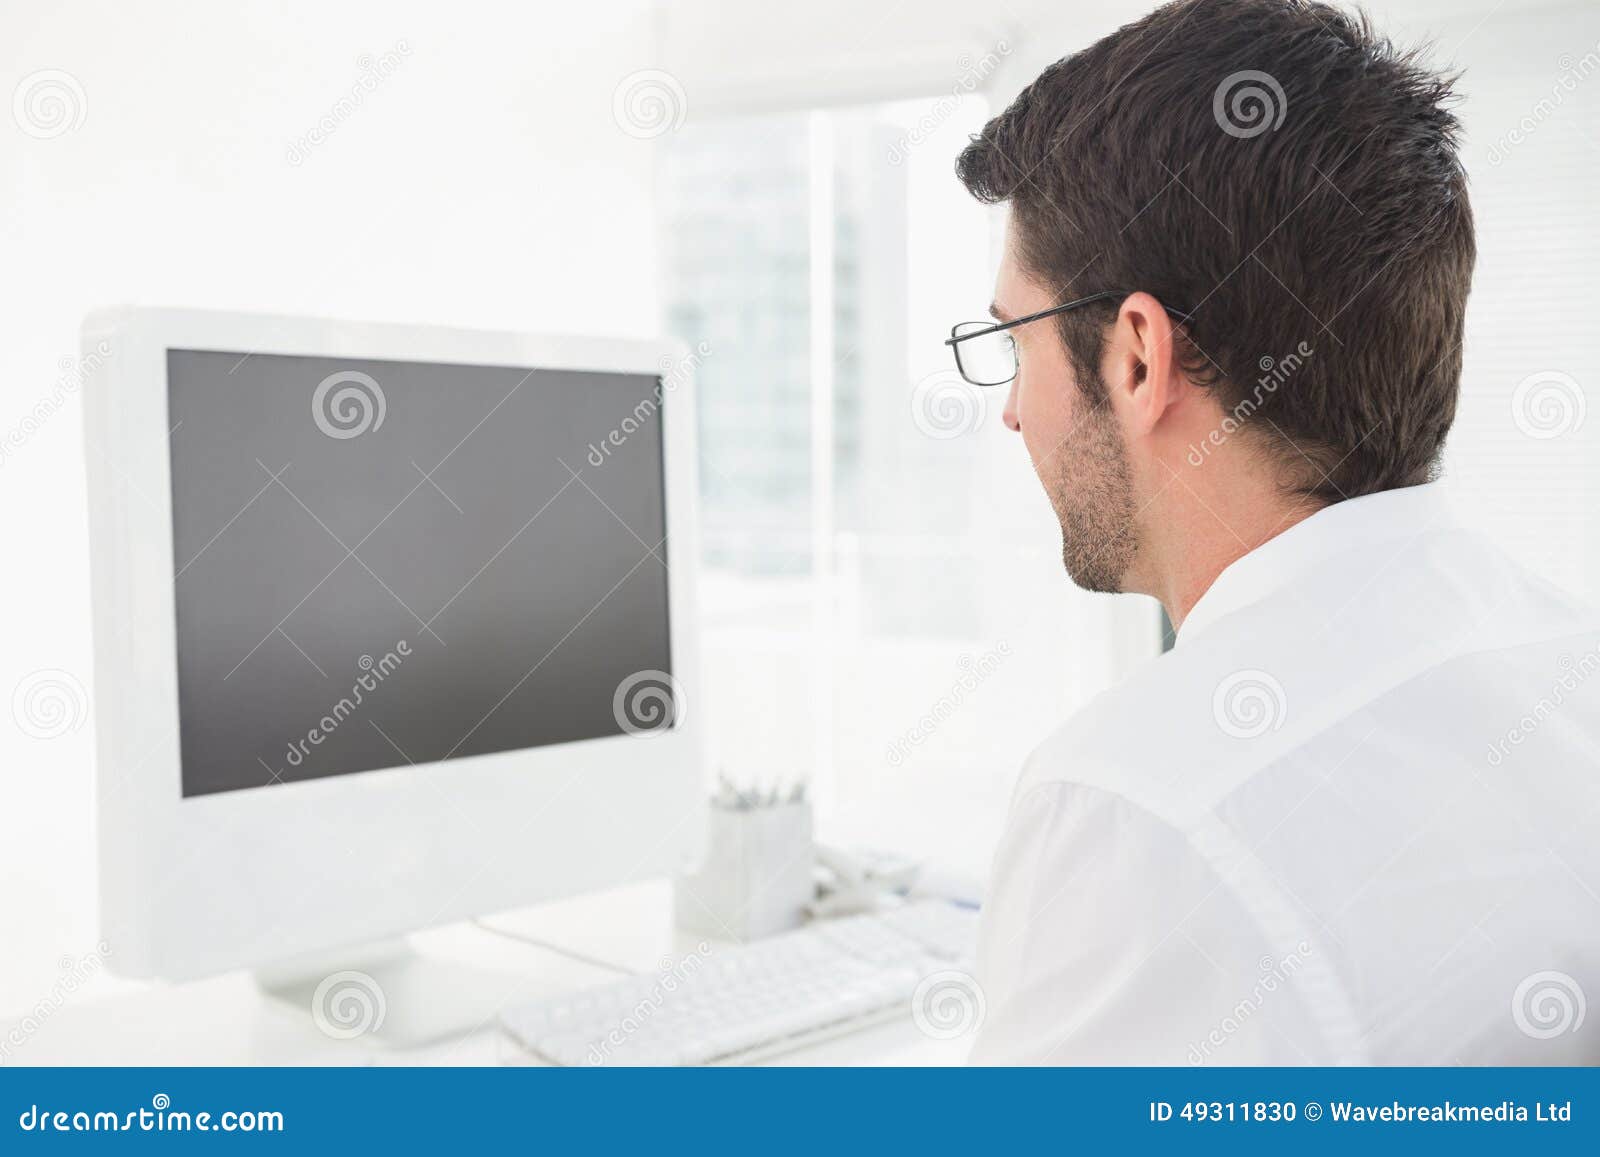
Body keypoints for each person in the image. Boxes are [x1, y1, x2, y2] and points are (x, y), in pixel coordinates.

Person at [948, 0, 1599, 1063]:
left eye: (1012, 340)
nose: (1011, 409)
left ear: (1136, 357)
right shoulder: (1569, 659)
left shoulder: (1137, 808)